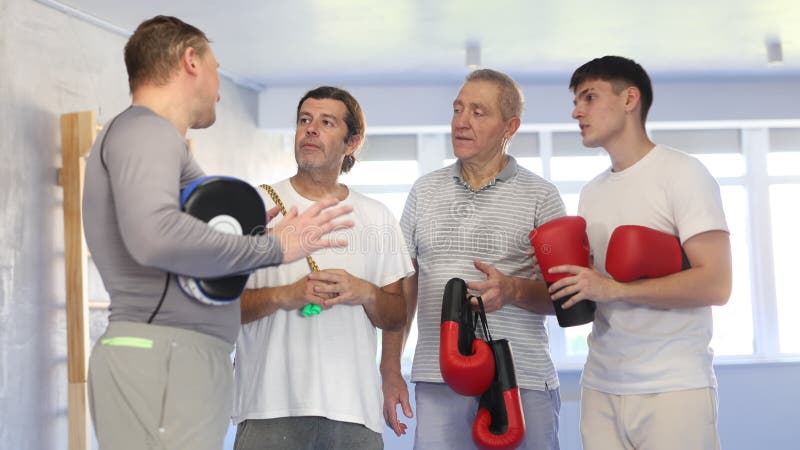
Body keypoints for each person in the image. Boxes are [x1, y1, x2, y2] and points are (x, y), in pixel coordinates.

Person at [83, 16, 354, 450]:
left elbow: (176, 244)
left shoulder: (148, 135)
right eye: (215, 67)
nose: (219, 87)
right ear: (190, 61)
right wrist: (271, 247)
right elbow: (154, 236)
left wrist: (246, 241)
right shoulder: (146, 130)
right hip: (164, 355)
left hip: (171, 355)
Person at [548, 55, 732, 450]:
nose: (576, 111)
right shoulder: (592, 192)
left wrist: (614, 290)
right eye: (577, 101)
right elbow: (595, 287)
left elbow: (717, 283)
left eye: (589, 98)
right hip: (601, 384)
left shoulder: (683, 173)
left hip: (673, 387)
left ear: (630, 99)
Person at [381, 69, 566, 449]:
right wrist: (390, 368)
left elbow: (566, 296)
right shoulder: (423, 191)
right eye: (458, 109)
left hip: (523, 379)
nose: (461, 122)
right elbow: (403, 287)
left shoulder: (542, 196)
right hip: (439, 378)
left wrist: (512, 290)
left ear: (509, 126)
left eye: (478, 112)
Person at [231, 86, 415, 450]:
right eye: (304, 120)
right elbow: (223, 308)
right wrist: (286, 295)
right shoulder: (252, 205)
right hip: (268, 407)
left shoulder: (376, 217)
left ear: (352, 143)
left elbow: (395, 316)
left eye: (326, 122)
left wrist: (364, 291)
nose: (310, 129)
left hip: (353, 412)